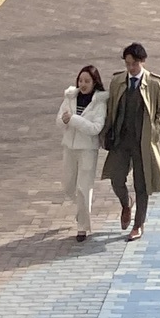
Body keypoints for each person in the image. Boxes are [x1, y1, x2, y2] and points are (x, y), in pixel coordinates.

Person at [101, 43, 160, 240]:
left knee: (142, 184)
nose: (130, 68)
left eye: (134, 64)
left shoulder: (154, 84)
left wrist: (155, 133)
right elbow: (110, 108)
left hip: (142, 143)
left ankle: (138, 224)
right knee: (116, 178)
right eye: (128, 64)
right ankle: (126, 203)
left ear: (142, 62)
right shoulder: (117, 82)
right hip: (121, 141)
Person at [57, 63, 107, 241]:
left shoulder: (99, 102)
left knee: (83, 188)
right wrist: (64, 120)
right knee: (68, 185)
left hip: (87, 149)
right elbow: (59, 120)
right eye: (81, 80)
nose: (83, 84)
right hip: (69, 147)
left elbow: (95, 128)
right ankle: (81, 210)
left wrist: (73, 119)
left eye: (87, 81)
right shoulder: (70, 96)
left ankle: (82, 227)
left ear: (94, 83)